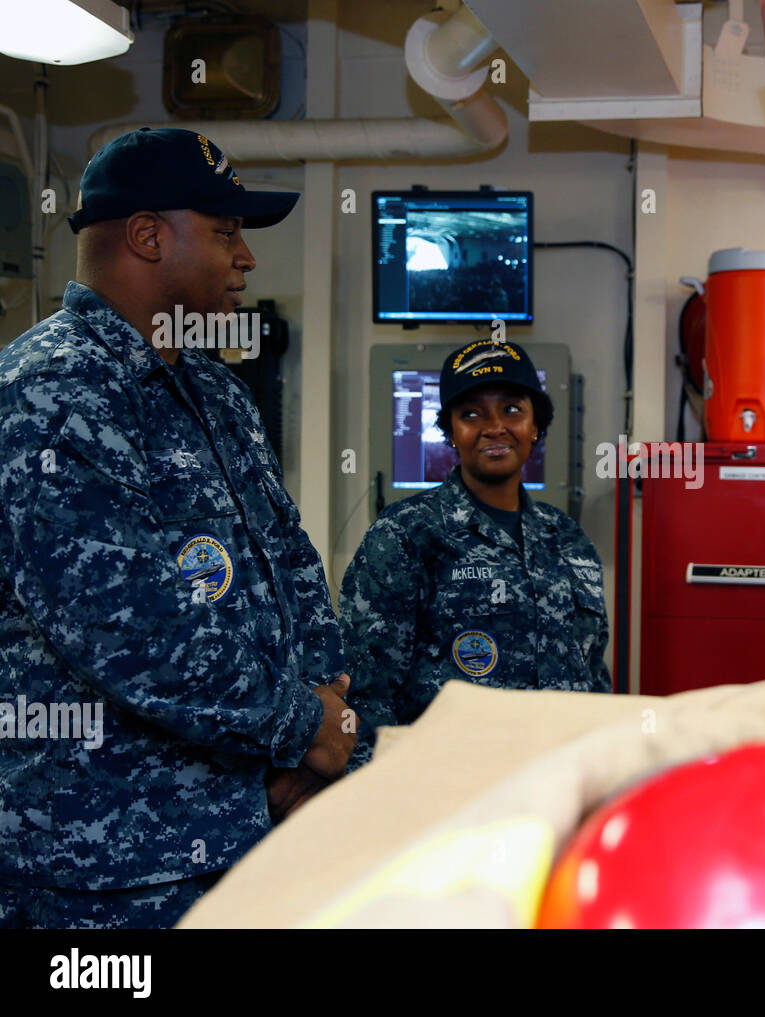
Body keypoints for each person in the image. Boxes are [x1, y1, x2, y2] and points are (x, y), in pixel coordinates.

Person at [0, 128, 356, 929]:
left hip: (244, 835)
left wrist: (321, 734)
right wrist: (301, 726)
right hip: (101, 875)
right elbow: (124, 627)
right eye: (226, 232)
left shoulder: (213, 391)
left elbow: (291, 565)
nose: (247, 258)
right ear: (148, 236)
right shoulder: (48, 391)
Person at [340, 339, 610, 767]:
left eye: (513, 410)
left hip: (562, 783)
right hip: (449, 792)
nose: (494, 426)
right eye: (470, 414)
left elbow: (594, 679)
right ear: (450, 433)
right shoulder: (407, 534)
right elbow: (365, 693)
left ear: (536, 425)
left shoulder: (568, 540)